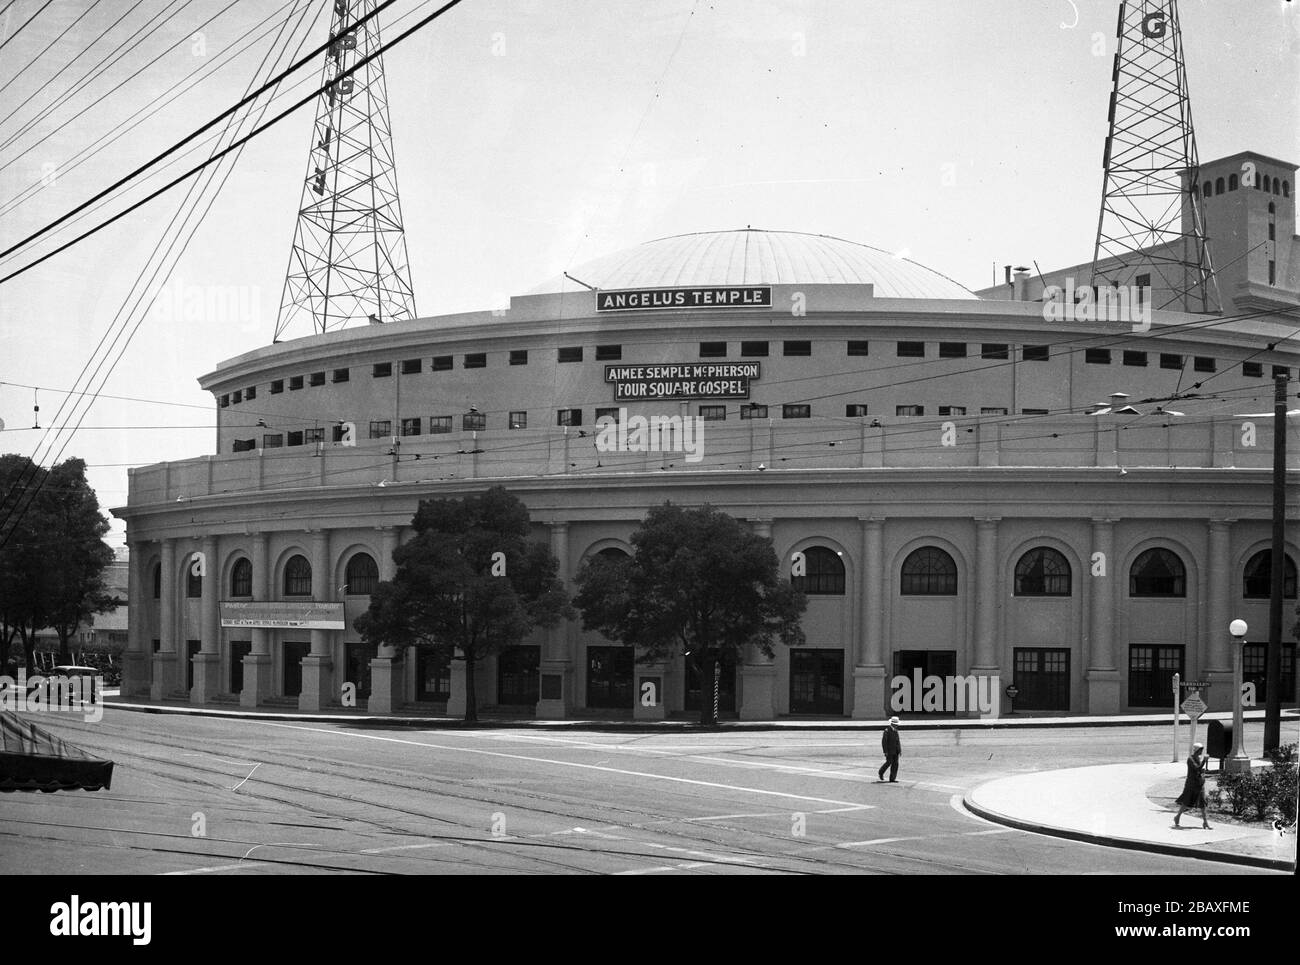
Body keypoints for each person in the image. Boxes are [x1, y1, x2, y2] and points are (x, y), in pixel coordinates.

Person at [1173, 742, 1211, 830]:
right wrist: (1204, 761)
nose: (1202, 751)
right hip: (1191, 784)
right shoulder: (1190, 759)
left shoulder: (1198, 758)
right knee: (1186, 801)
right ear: (1197, 750)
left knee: (1202, 802)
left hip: (1200, 784)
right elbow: (1197, 768)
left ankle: (1205, 822)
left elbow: (1199, 769)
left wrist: (1203, 770)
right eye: (1201, 750)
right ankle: (1177, 816)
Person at [878, 716, 901, 782]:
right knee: (889, 762)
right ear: (892, 724)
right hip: (889, 751)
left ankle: (892, 778)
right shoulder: (887, 731)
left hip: (895, 750)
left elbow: (898, 741)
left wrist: (899, 750)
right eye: (896, 724)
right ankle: (881, 772)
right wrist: (885, 751)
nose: (897, 725)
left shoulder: (896, 731)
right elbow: (884, 742)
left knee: (895, 764)